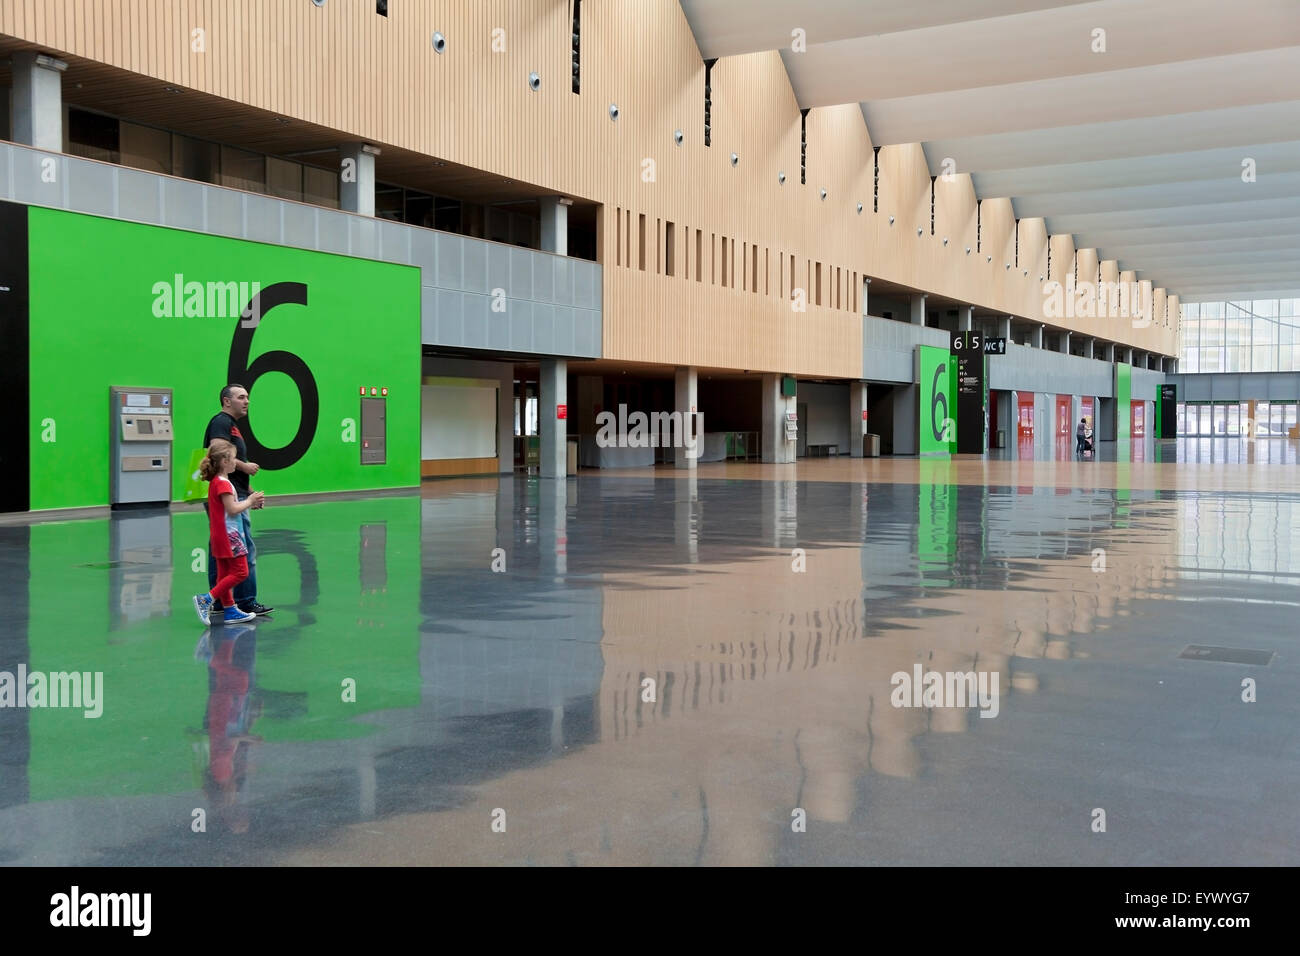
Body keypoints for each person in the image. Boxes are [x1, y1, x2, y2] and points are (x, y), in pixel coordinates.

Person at [204, 385, 273, 616]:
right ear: (226, 401)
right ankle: (244, 601)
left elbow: (232, 466)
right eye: (241, 397)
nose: (247, 401)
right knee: (240, 552)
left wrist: (250, 491)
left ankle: (221, 600)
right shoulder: (221, 422)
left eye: (248, 397)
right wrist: (246, 466)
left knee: (222, 552)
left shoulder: (233, 426)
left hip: (238, 492)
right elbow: (217, 453)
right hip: (229, 498)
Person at [192, 439, 264, 626]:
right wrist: (250, 501)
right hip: (230, 536)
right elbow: (232, 509)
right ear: (224, 462)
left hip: (219, 535)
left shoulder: (216, 482)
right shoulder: (224, 484)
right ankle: (206, 599)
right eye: (233, 458)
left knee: (223, 575)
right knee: (241, 571)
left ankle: (230, 609)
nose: (235, 462)